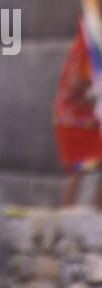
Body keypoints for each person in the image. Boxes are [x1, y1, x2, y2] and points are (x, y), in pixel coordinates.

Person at [53, 18, 102, 210]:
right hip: (74, 123)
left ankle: (97, 217)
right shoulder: (84, 53)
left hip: (86, 122)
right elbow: (75, 87)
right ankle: (67, 216)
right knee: (76, 170)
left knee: (86, 168)